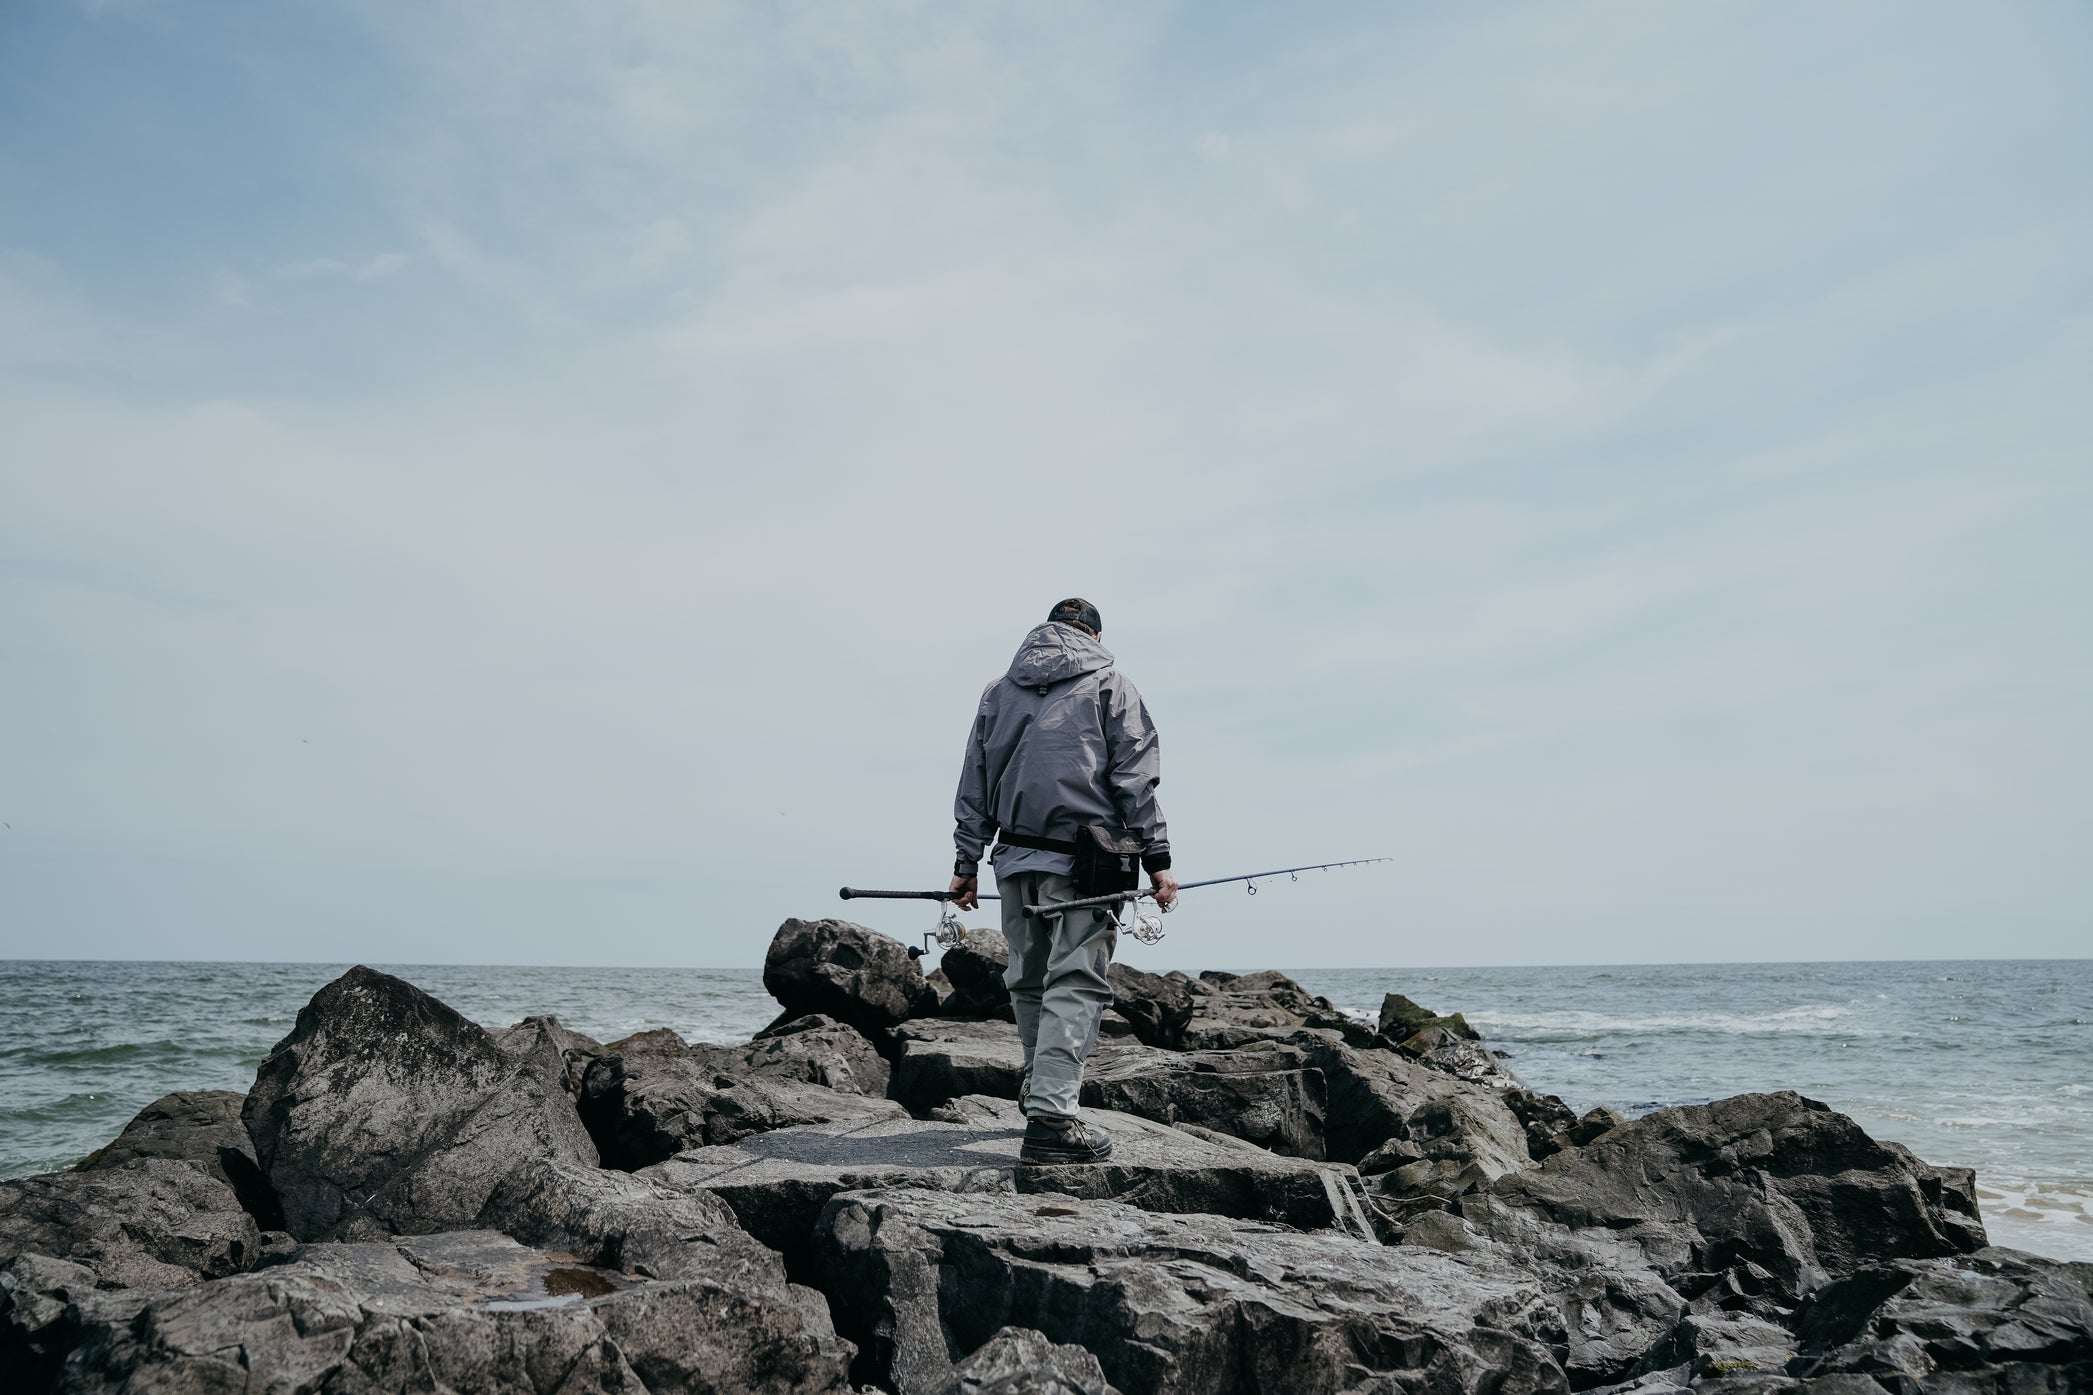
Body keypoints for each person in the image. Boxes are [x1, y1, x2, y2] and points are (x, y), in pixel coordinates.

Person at [949, 598, 1178, 1164]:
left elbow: (974, 779)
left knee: (1028, 980)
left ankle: (1039, 1086)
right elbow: (1135, 778)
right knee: (1074, 981)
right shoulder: (1110, 684)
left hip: (1012, 862)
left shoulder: (998, 692)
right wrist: (1158, 857)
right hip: (1085, 867)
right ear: (1094, 635)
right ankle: (1052, 1119)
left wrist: (965, 863)